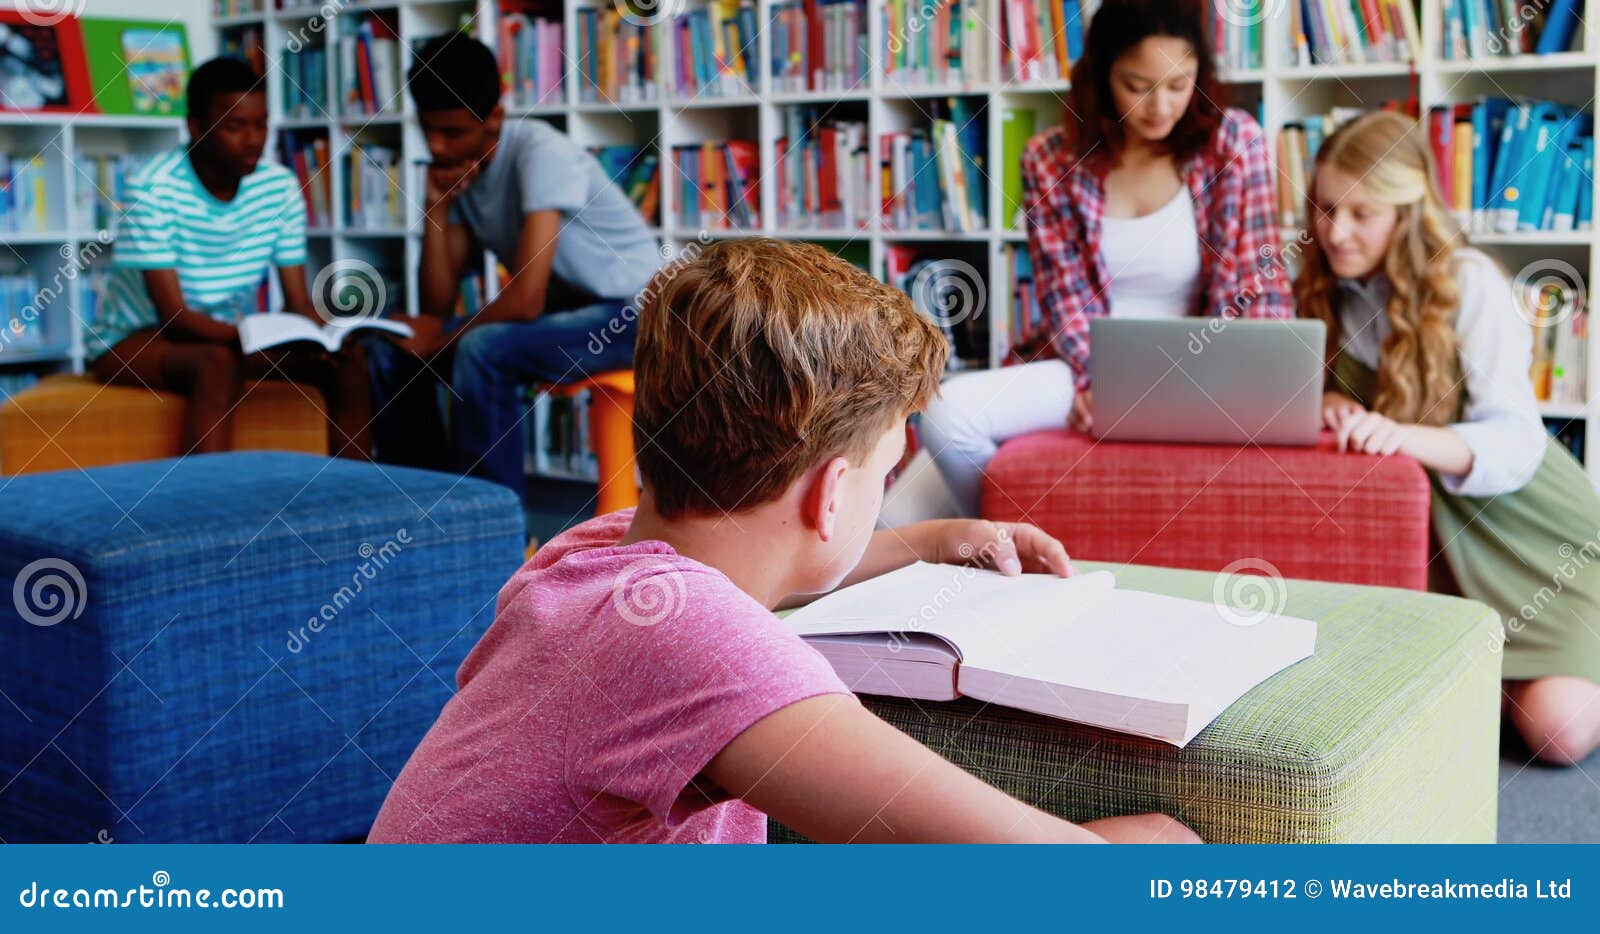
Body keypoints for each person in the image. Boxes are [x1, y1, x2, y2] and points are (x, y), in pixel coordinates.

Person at [367, 239, 1202, 843]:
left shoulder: (596, 555)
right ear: (833, 493)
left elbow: (777, 567)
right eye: (884, 473)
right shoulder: (699, 646)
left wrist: (938, 540)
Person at [1299, 110, 1600, 766]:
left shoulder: (1469, 281)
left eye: (1361, 214)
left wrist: (1401, 434)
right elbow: (1337, 403)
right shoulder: (1336, 290)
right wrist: (1328, 403)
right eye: (1325, 208)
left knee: (1558, 733)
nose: (1334, 232)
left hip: (1530, 530)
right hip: (1438, 533)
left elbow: (1517, 440)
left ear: (1407, 212)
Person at [916, 0, 1291, 517]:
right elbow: (1062, 292)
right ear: (1100, 77)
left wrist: (1250, 378)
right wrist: (1104, 383)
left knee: (915, 502)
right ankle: (1005, 537)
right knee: (944, 412)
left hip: (1206, 370)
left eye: (1179, 85)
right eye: (1138, 86)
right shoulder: (1050, 158)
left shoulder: (1233, 141)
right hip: (1087, 365)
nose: (1161, 107)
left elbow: (1258, 281)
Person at [367, 32, 660, 493]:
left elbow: (524, 301)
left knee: (484, 349)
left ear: (495, 118)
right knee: (389, 350)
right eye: (429, 131)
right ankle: (428, 502)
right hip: (564, 314)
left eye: (454, 132)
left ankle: (495, 525)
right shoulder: (461, 168)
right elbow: (436, 305)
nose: (439, 148)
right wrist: (436, 207)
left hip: (637, 313)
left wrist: (438, 336)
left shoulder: (540, 154)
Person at [88, 56, 371, 459]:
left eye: (261, 124)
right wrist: (252, 339)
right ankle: (207, 513)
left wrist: (327, 336)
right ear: (196, 127)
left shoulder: (278, 186)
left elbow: (297, 302)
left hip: (231, 335)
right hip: (133, 340)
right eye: (235, 127)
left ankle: (356, 498)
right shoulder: (151, 188)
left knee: (349, 361)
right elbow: (175, 318)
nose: (253, 140)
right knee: (217, 364)